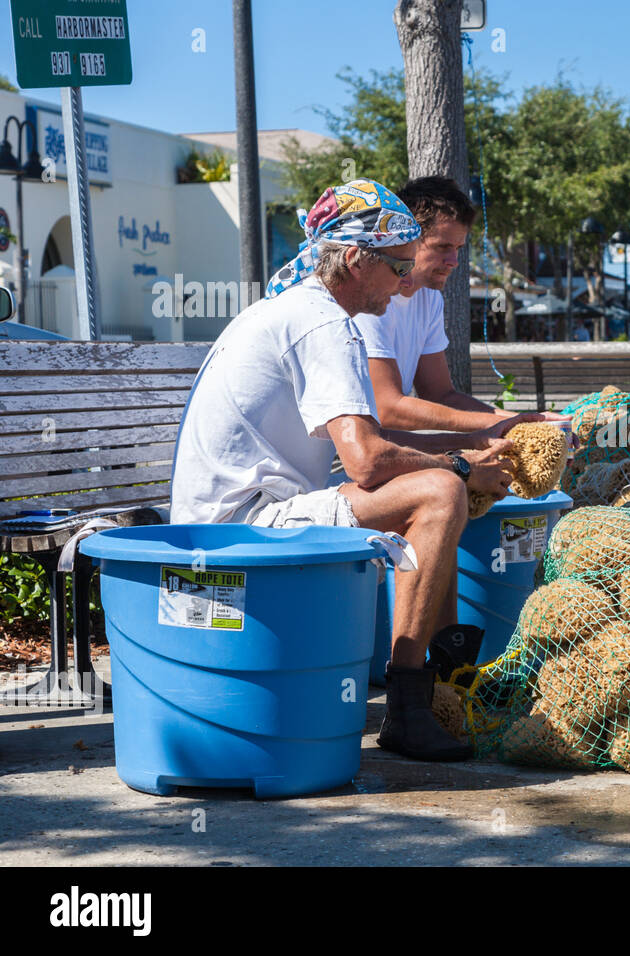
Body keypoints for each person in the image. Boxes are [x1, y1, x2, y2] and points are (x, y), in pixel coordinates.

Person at [170, 179, 517, 762]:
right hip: (241, 527)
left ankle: (445, 681)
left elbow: (373, 443)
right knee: (438, 493)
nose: (405, 283)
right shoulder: (324, 322)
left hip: (232, 515)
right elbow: (367, 460)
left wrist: (469, 453)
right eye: (399, 268)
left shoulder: (301, 305)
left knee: (440, 486)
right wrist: (458, 464)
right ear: (357, 259)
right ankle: (409, 706)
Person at [352, 176, 566, 434]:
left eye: (458, 248)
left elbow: (441, 395)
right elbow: (386, 409)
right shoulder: (372, 298)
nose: (454, 261)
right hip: (340, 461)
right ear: (408, 239)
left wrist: (528, 420)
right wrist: (511, 425)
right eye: (443, 247)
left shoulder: (429, 298)